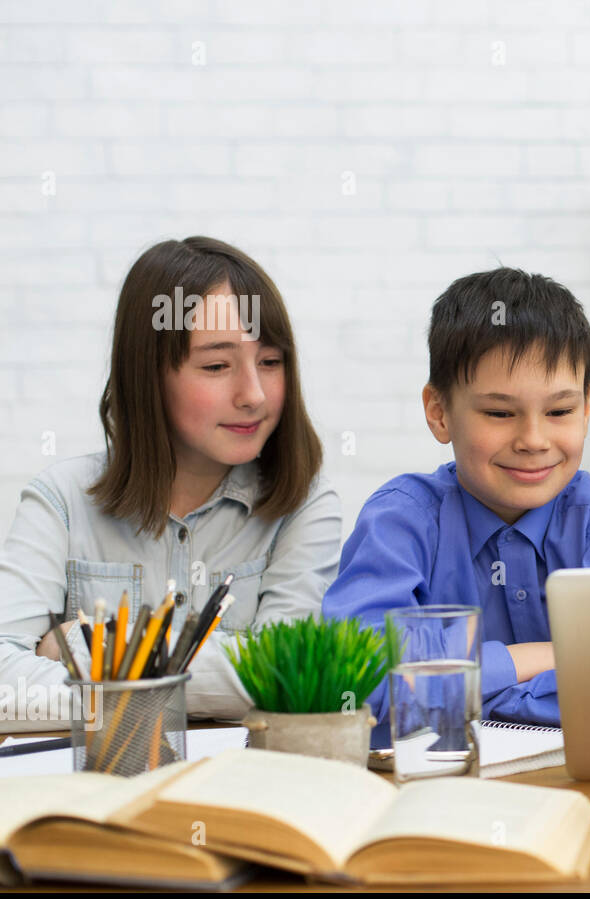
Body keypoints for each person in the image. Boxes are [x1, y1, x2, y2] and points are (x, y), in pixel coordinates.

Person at [0, 236, 340, 722]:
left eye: (270, 361)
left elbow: (287, 675)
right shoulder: (62, 498)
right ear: (148, 375)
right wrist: (211, 678)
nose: (254, 395)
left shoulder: (303, 503)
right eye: (217, 366)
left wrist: (84, 646)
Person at [322, 268, 590, 740]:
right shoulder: (400, 521)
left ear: (585, 410)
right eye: (499, 413)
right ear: (439, 413)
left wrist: (474, 688)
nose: (534, 440)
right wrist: (544, 657)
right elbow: (356, 684)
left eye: (559, 411)